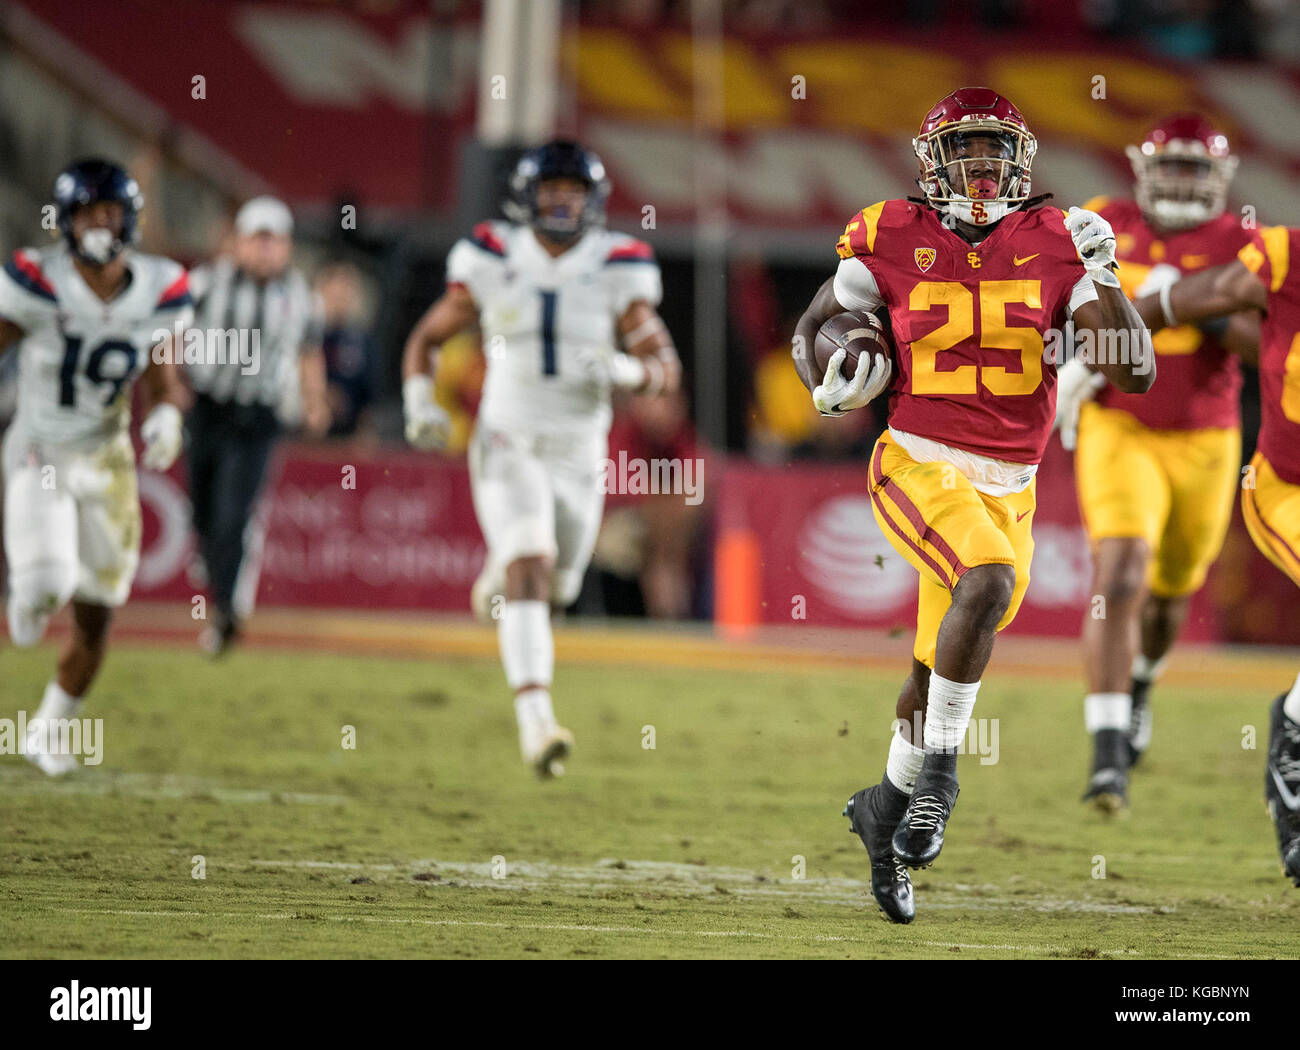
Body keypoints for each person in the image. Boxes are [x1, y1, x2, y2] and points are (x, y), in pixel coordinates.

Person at [791, 88, 1155, 923]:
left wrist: (1106, 277)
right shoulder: (885, 233)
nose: (984, 165)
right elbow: (812, 328)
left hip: (1011, 484)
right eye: (968, 150)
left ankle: (883, 806)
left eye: (997, 150)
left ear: (1021, 160)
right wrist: (832, 375)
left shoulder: (1062, 243)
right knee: (985, 583)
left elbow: (1134, 373)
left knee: (937, 667)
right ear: (935, 162)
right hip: (915, 461)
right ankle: (942, 782)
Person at [402, 140, 681, 779]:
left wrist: (625, 369)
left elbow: (666, 372)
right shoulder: (493, 256)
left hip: (579, 453)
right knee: (531, 564)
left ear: (593, 201)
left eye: (573, 192)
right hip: (508, 437)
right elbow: (426, 338)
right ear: (526, 197)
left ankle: (502, 574)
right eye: (550, 190)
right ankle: (536, 724)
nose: (561, 202)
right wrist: (420, 399)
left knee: (558, 587)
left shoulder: (619, 266)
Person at [1054, 115, 1253, 813]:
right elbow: (1045, 300)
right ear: (1144, 166)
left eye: (1196, 169)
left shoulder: (1244, 242)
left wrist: (1185, 305)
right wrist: (1069, 361)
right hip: (1120, 427)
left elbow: (1268, 344)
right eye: (1171, 165)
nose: (1181, 180)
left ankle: (1140, 687)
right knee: (1122, 570)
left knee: (1170, 595)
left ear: (1221, 179)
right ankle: (1108, 757)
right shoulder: (1102, 223)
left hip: (1205, 437)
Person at [0, 158, 190, 774]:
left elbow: (163, 372)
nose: (98, 225)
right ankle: (26, 595)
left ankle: (48, 732)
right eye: (87, 214)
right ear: (67, 221)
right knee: (47, 582)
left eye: (109, 213)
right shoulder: (37, 279)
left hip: (106, 458)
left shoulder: (160, 287)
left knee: (99, 606)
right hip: (41, 449)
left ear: (128, 218)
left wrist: (166, 415)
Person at [1129, 224, 1300, 887]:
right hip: (1287, 485)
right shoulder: (1285, 255)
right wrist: (1127, 323)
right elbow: (1206, 294)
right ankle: (1290, 742)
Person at [184, 196, 329, 655]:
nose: (265, 251)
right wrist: (172, 388)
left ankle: (226, 610)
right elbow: (167, 334)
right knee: (202, 512)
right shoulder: (206, 284)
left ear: (286, 246)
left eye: (274, 241)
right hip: (208, 407)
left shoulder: (302, 297)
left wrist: (314, 399)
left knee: (235, 512)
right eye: (257, 240)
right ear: (239, 242)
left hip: (259, 416)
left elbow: (309, 352)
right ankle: (220, 584)